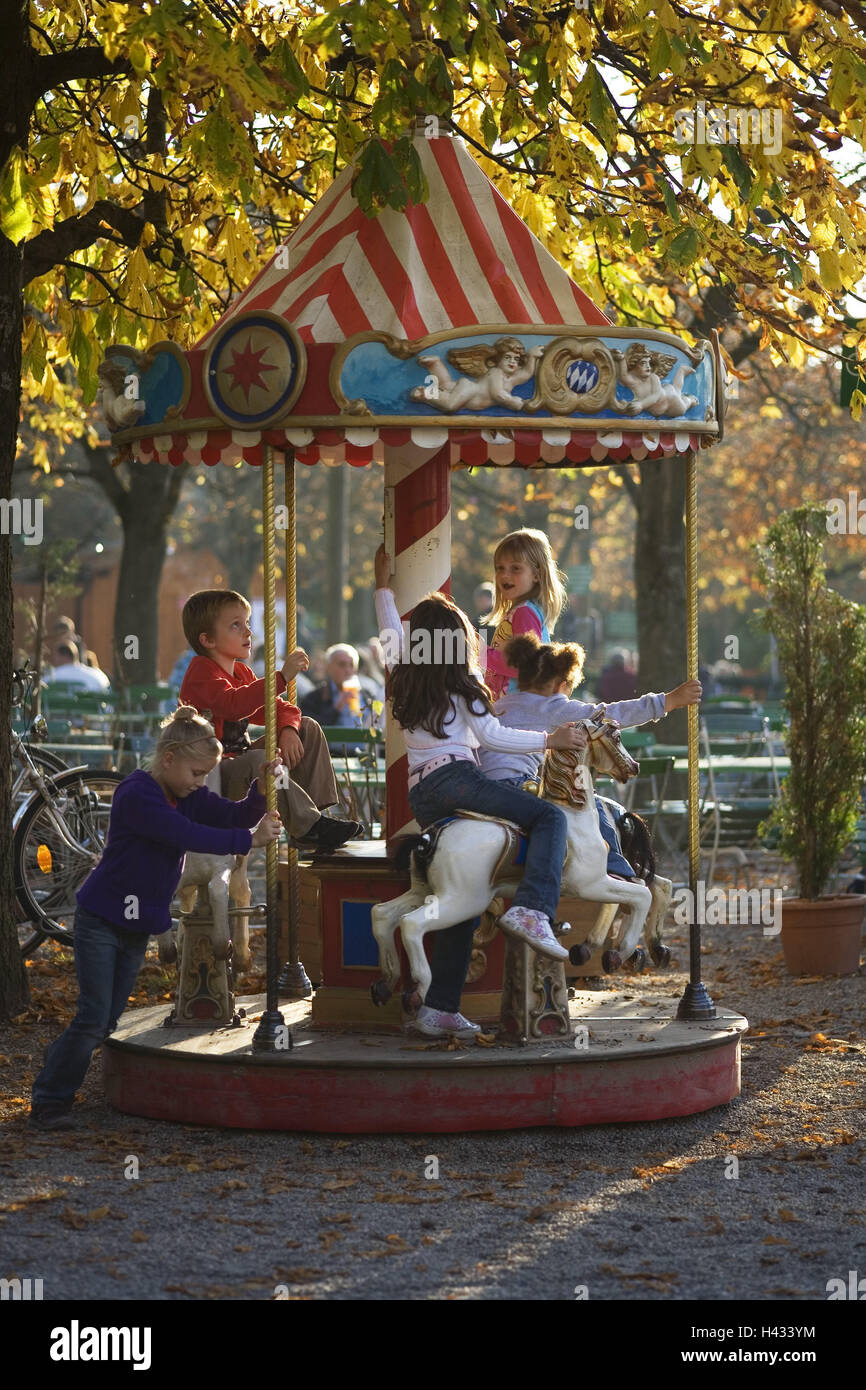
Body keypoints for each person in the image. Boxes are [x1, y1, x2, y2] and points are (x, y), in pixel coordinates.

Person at [28, 707, 283, 1131]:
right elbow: (183, 834)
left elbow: (231, 815)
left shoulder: (186, 794)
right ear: (169, 759)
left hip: (135, 924)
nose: (201, 782)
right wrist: (248, 841)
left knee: (106, 1020)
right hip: (101, 918)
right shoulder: (137, 793)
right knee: (94, 1018)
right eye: (197, 772)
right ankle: (49, 1101)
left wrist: (261, 792)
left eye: (205, 775)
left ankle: (57, 1060)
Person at [375, 544, 585, 1040]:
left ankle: (439, 1008)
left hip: (422, 796)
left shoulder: (400, 672)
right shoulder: (463, 683)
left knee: (463, 901)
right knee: (549, 818)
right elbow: (492, 737)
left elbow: (388, 628)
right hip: (458, 780)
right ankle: (535, 909)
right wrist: (549, 738)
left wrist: (382, 585)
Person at [478, 632, 701, 877]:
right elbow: (610, 714)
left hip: (483, 787)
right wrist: (667, 701)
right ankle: (616, 868)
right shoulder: (554, 706)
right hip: (518, 784)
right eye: (570, 689)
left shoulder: (502, 704)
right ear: (560, 685)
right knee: (592, 805)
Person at [179, 589, 359, 851]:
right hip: (212, 774)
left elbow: (278, 709)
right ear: (207, 639)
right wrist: (281, 677)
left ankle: (315, 817)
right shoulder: (200, 672)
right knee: (260, 759)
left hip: (240, 765)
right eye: (236, 625)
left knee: (307, 727)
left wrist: (287, 728)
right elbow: (232, 704)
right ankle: (307, 824)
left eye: (247, 624)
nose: (248, 633)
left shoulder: (241, 672)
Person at [483, 528, 567, 699]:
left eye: (515, 568)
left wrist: (481, 654)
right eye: (500, 568)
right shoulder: (523, 610)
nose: (505, 575)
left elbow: (525, 666)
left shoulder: (524, 612)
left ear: (537, 574)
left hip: (518, 705)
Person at [45, 641, 111, 691]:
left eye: (55, 656)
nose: (53, 659)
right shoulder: (98, 675)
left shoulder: (50, 677)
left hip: (55, 709)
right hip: (89, 708)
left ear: (61, 656)